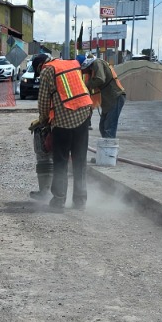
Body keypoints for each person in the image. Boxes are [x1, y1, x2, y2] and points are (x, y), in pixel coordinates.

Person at [35, 54, 95, 207]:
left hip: (64, 119)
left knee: (61, 161)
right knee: (80, 160)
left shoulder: (47, 70)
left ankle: (59, 200)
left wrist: (42, 120)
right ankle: (80, 201)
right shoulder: (71, 63)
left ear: (40, 64)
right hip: (83, 113)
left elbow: (43, 101)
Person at [86, 56, 126, 139]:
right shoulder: (94, 66)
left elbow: (100, 79)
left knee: (109, 129)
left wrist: (86, 85)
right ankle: (107, 148)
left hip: (115, 97)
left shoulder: (97, 63)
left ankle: (109, 150)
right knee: (103, 127)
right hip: (107, 100)